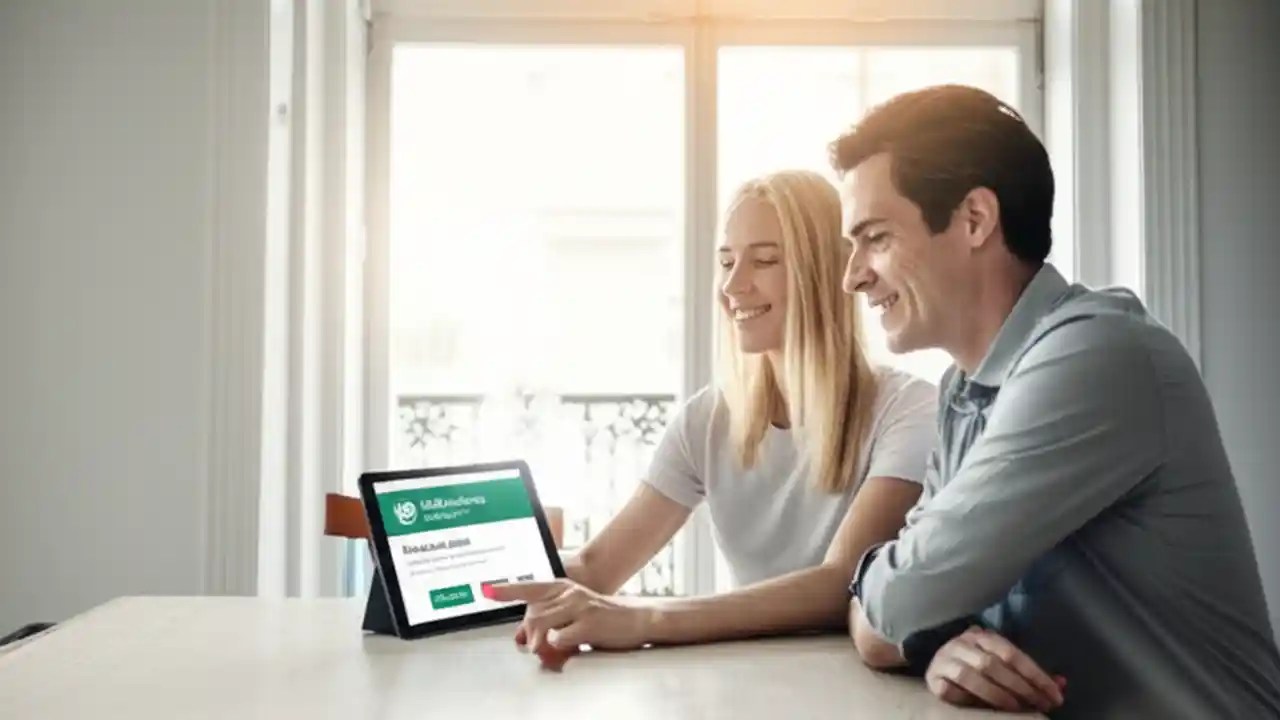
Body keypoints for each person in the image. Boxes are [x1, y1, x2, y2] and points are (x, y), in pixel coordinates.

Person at [833, 85, 1280, 718]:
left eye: (874, 237)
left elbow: (899, 601)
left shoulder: (1096, 355)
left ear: (974, 220)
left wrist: (897, 601)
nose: (852, 274)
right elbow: (896, 613)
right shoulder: (965, 391)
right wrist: (937, 641)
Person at [486, 170, 937, 668]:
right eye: (726, 261)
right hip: (746, 682)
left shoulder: (909, 412)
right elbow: (596, 566)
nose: (732, 285)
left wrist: (644, 619)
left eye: (764, 260)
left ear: (832, 272)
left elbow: (842, 582)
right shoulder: (707, 419)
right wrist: (465, 583)